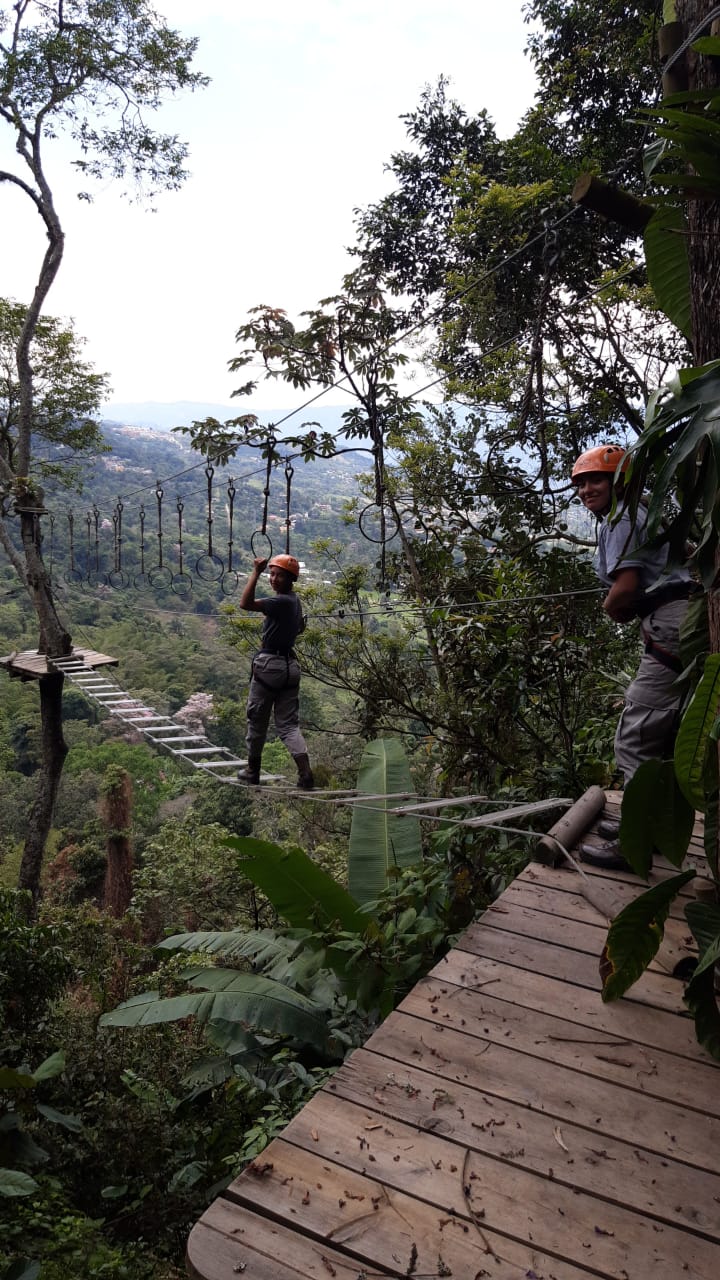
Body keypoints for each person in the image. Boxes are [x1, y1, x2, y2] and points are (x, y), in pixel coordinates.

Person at [572, 444, 695, 868]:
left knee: (636, 733)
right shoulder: (644, 510)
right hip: (675, 619)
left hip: (669, 623)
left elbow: (625, 584)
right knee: (660, 734)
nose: (587, 489)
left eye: (596, 480)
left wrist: (612, 607)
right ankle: (647, 824)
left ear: (617, 482)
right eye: (582, 482)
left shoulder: (622, 517)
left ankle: (635, 842)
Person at [236, 553, 314, 789]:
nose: (274, 579)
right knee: (288, 725)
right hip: (290, 667)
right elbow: (298, 628)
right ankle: (305, 773)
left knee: (257, 720)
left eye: (279, 575)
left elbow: (245, 604)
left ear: (291, 579)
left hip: (270, 667)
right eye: (272, 574)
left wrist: (256, 572)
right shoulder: (294, 601)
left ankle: (253, 771)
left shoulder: (280, 602)